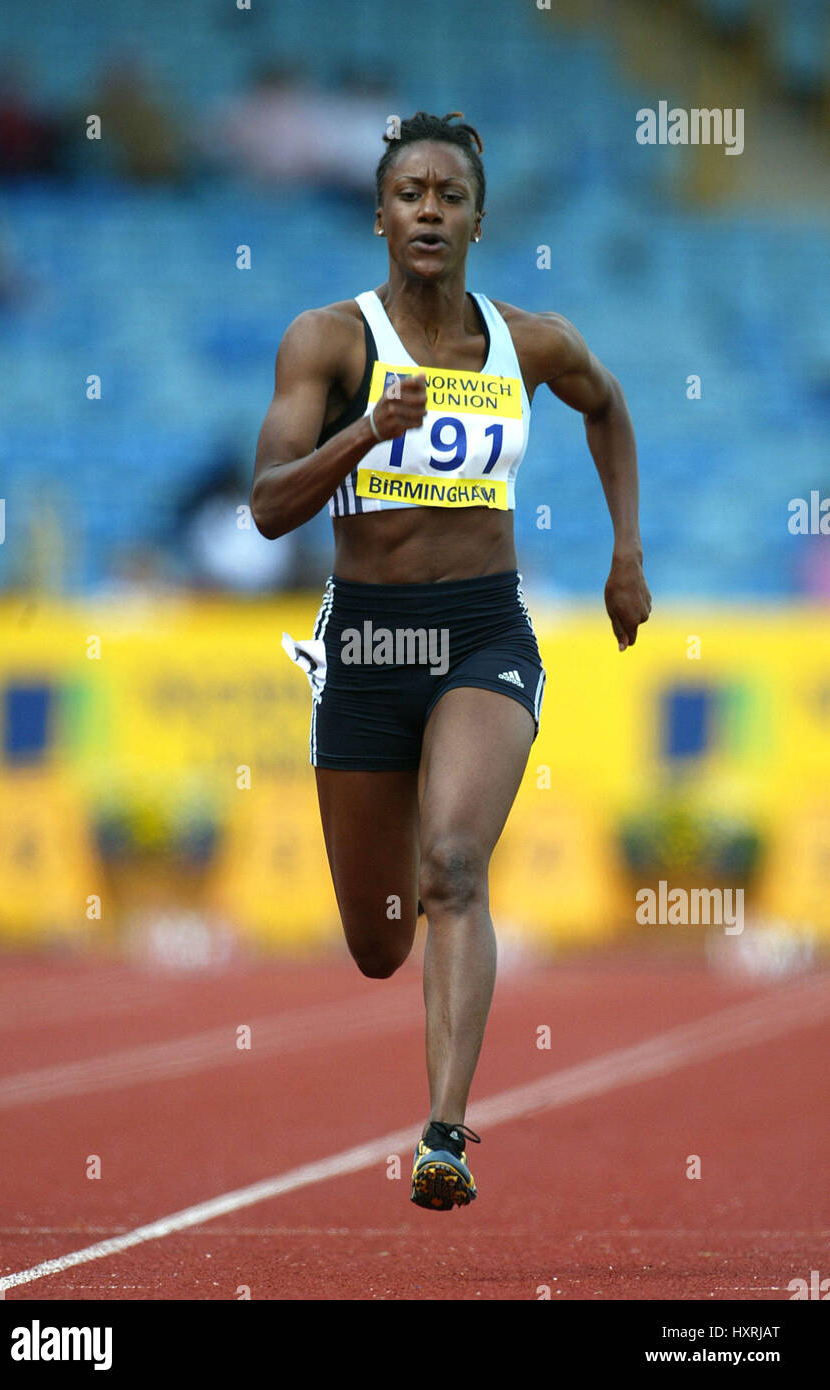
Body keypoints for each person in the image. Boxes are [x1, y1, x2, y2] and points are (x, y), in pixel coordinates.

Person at [251, 111, 651, 1210]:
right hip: (368, 639)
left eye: (450, 196)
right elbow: (267, 507)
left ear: (479, 219)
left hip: (482, 630)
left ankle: (442, 1134)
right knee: (380, 942)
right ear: (379, 216)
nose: (429, 211)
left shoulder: (531, 343)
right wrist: (364, 432)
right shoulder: (327, 342)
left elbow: (608, 406)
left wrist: (624, 553)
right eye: (409, 194)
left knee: (454, 867)